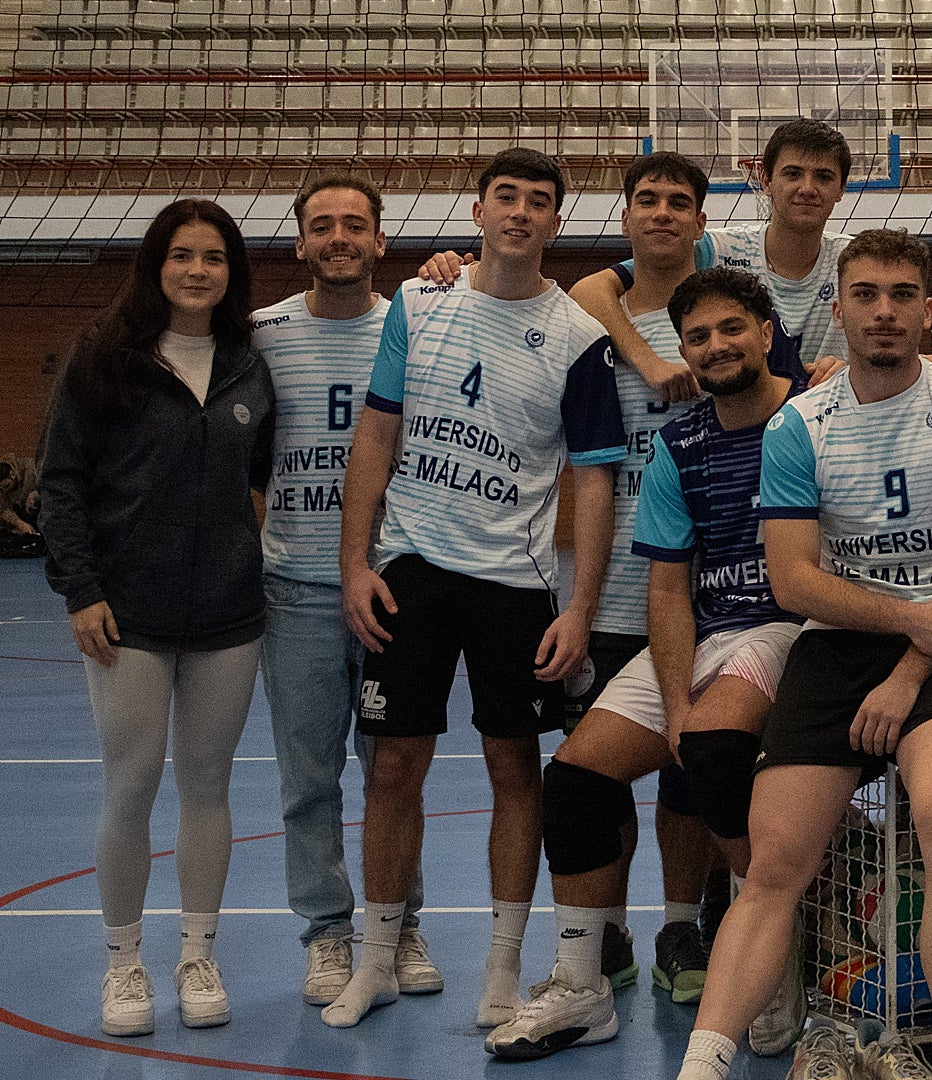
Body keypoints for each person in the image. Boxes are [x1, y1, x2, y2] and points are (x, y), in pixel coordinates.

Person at [675, 229, 932, 1080]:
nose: (884, 312)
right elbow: (793, 580)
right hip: (840, 646)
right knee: (774, 864)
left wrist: (909, 670)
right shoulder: (801, 423)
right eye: (865, 295)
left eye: (902, 295)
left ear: (927, 311)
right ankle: (701, 1067)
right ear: (838, 309)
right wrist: (906, 621)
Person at [324, 148, 626, 1030]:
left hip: (514, 582)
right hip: (410, 571)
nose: (520, 212)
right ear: (478, 210)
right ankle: (375, 962)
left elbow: (595, 481)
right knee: (392, 768)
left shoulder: (579, 336)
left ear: (556, 222)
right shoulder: (419, 302)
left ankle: (502, 969)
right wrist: (354, 564)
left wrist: (580, 605)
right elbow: (375, 437)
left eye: (539, 201)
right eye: (506, 196)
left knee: (513, 768)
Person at [483, 267, 809, 1060]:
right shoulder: (680, 445)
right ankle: (580, 986)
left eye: (732, 329)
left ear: (767, 335)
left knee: (717, 751)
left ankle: (772, 955)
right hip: (711, 631)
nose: (715, 346)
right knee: (575, 779)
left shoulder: (815, 417)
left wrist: (695, 723)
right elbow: (667, 591)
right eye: (698, 337)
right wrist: (675, 702)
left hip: (795, 628)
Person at [39, 198, 275, 1037]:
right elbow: (60, 483)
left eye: (214, 257)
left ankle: (197, 957)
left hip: (228, 615)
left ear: (231, 273)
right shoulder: (104, 359)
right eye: (182, 255)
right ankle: (124, 965)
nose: (197, 271)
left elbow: (266, 472)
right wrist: (80, 590)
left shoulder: (249, 365)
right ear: (155, 265)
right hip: (125, 616)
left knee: (208, 786)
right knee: (132, 784)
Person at [251, 174, 440, 1009]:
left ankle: (398, 927)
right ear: (300, 242)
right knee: (309, 781)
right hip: (295, 590)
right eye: (322, 225)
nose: (339, 237)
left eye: (354, 224)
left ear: (379, 240)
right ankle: (328, 934)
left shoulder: (416, 323)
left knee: (395, 771)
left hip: (394, 586)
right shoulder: (260, 335)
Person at [573, 118, 856, 374]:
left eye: (823, 177)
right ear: (766, 181)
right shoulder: (719, 248)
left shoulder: (855, 261)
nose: (807, 188)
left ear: (842, 189)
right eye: (792, 174)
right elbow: (588, 290)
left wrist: (849, 372)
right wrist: (648, 362)